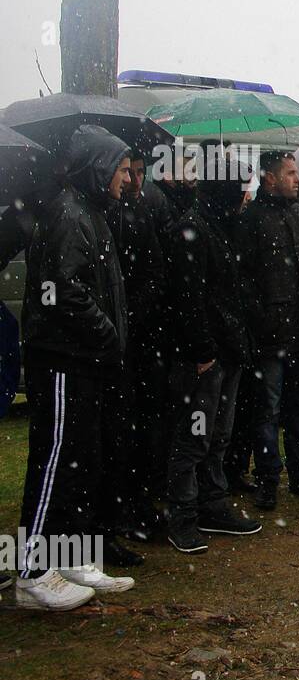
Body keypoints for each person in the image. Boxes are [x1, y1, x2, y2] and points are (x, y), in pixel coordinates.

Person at [15, 125, 136, 610]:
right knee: (54, 462)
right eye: (123, 170)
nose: (128, 180)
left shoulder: (91, 214)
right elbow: (65, 290)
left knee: (81, 460)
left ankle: (73, 557)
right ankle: (30, 571)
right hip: (64, 361)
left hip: (87, 361)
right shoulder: (68, 215)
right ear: (100, 168)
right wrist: (107, 333)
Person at [163, 171, 263, 553]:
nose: (246, 198)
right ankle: (183, 516)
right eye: (242, 190)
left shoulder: (220, 226)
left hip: (227, 351)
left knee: (218, 435)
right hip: (205, 358)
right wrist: (202, 350)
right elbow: (188, 298)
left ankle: (212, 505)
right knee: (193, 439)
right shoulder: (192, 230)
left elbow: (229, 290)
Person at [236, 152, 299, 509]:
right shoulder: (252, 221)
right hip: (271, 337)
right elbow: (244, 280)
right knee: (267, 411)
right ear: (270, 178)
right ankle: (267, 480)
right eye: (290, 173)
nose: (297, 179)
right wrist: (260, 320)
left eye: (297, 173)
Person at [105, 151, 169, 544]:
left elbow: (155, 271)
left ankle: (142, 506)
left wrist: (134, 312)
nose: (133, 180)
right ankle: (119, 511)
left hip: (142, 339)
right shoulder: (100, 215)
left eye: (139, 172)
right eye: (127, 172)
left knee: (147, 429)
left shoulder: (146, 212)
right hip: (114, 342)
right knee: (117, 432)